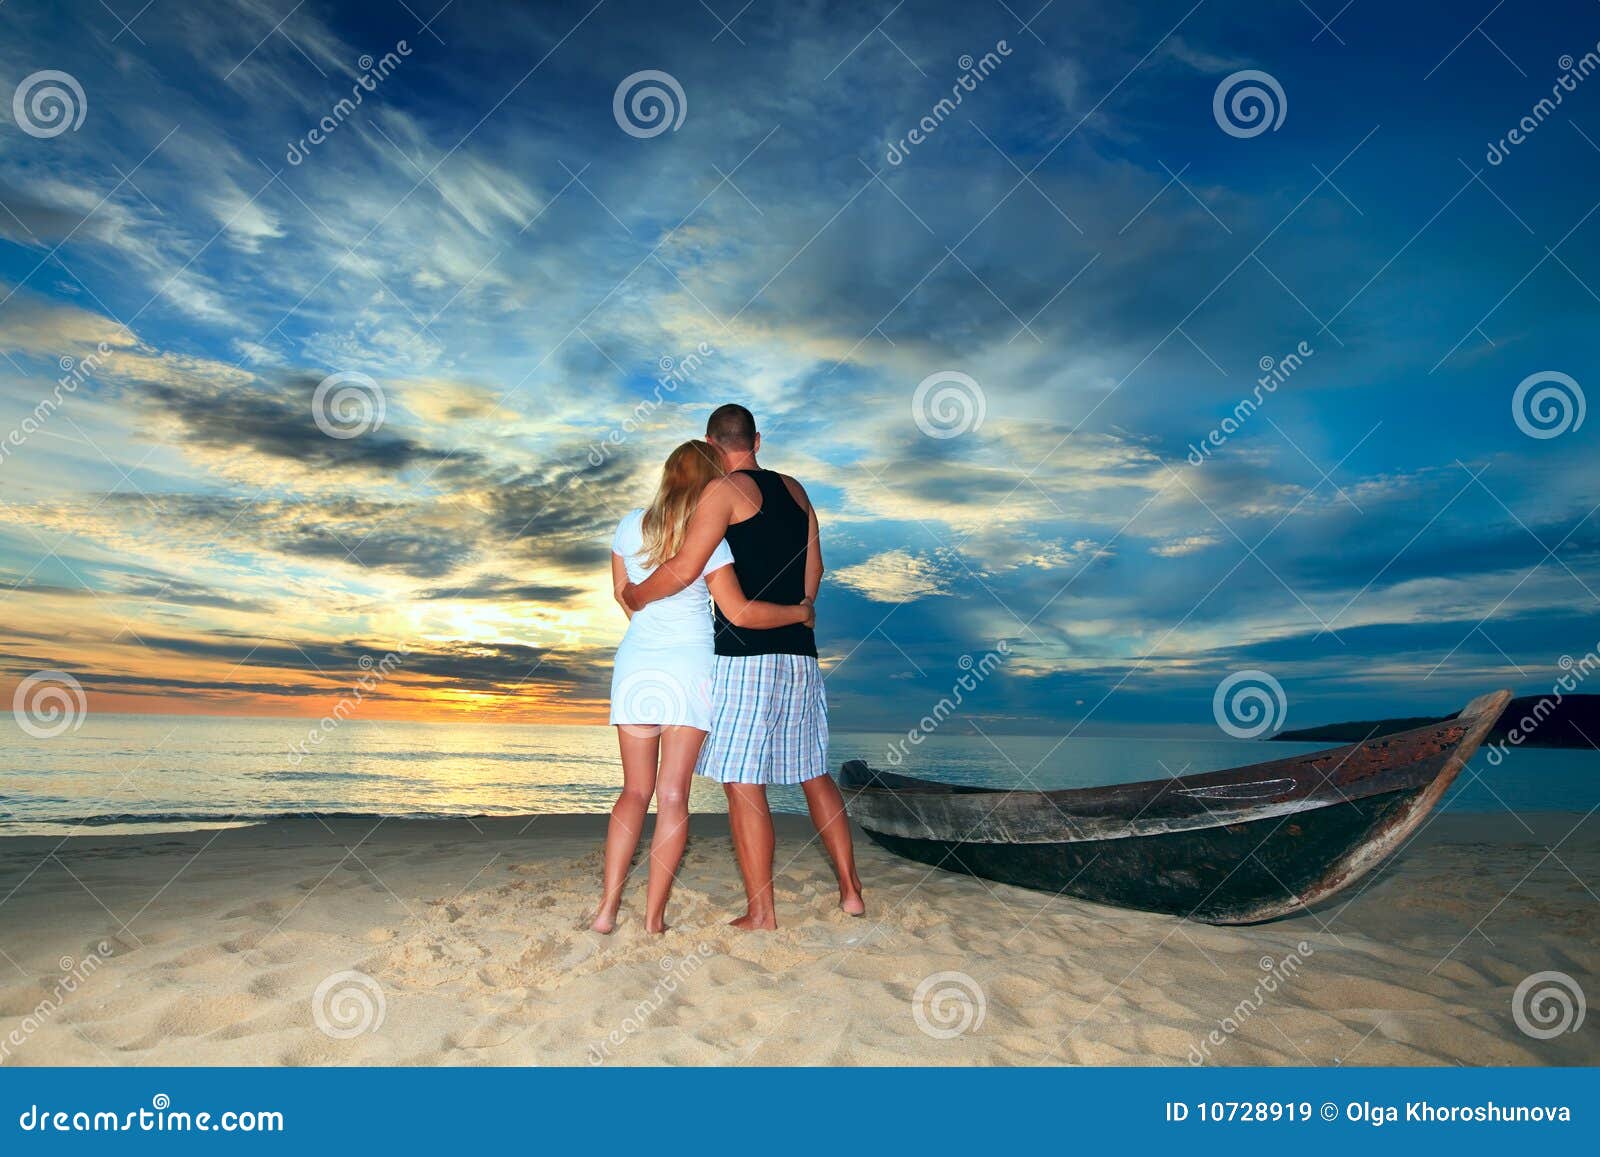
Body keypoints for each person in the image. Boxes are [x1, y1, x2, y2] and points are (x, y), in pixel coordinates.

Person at [624, 405, 865, 930]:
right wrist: (800, 610)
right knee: (813, 772)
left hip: (744, 656)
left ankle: (762, 912)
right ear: (756, 438)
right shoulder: (797, 490)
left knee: (741, 780)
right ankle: (850, 891)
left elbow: (686, 567)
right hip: (799, 652)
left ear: (711, 444)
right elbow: (815, 566)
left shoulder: (722, 492)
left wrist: (636, 595)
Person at [594, 439, 813, 935]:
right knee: (672, 797)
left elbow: (623, 597)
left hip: (636, 664)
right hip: (690, 668)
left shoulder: (630, 524)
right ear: (710, 480)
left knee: (633, 792)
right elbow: (736, 610)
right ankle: (652, 921)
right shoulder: (710, 538)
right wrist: (800, 611)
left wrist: (646, 626)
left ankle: (607, 910)